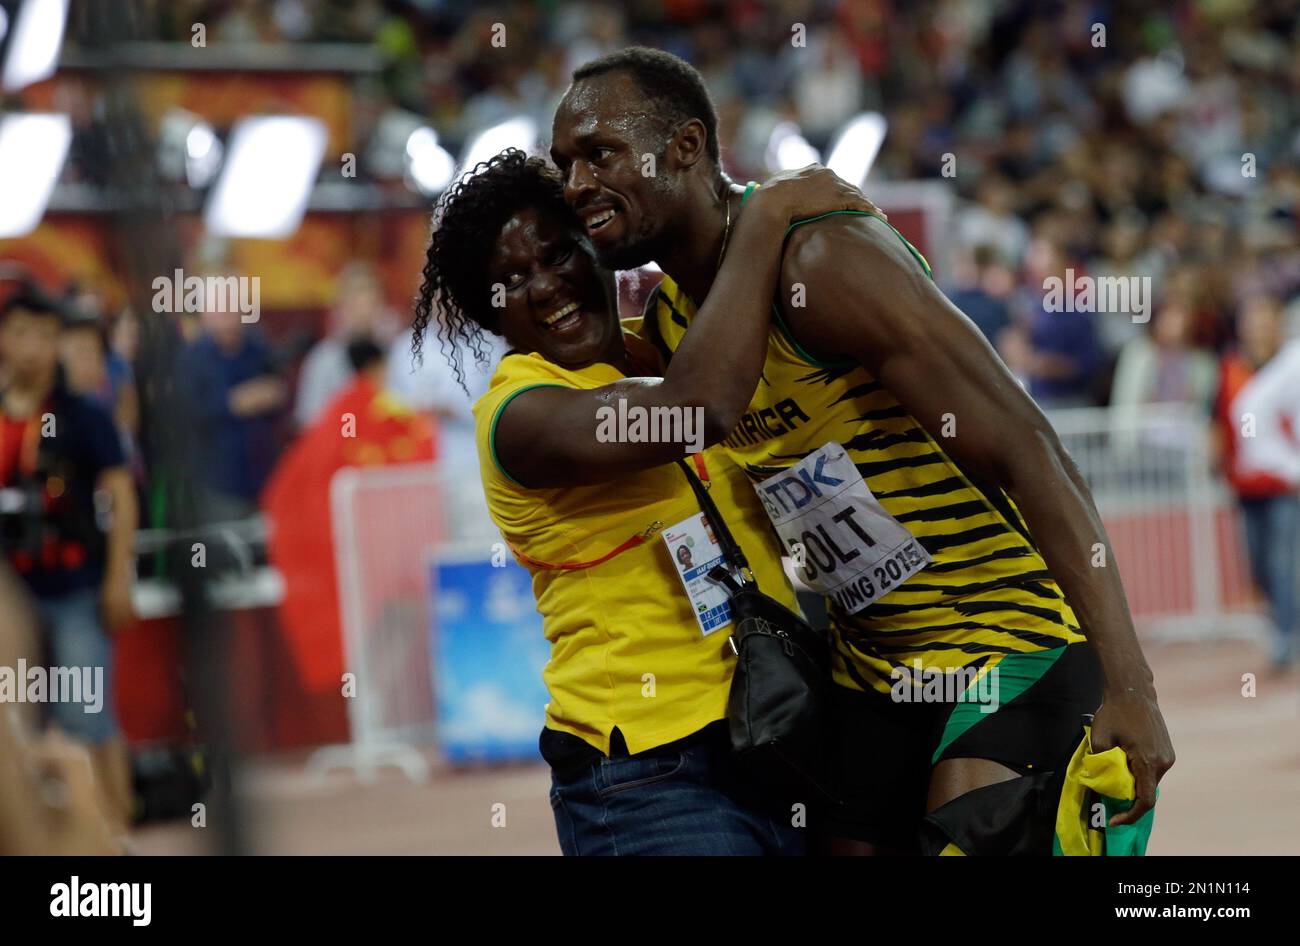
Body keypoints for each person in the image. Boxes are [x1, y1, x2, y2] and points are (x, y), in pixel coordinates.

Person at [550, 47, 1174, 855]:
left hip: (1000, 640)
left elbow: (1031, 449)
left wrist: (1131, 681)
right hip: (869, 679)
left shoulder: (824, 258)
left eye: (599, 153)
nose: (575, 186)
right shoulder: (680, 326)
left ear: (686, 147)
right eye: (564, 164)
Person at [412, 148, 872, 855]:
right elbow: (696, 412)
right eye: (511, 281)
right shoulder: (519, 416)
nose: (545, 285)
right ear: (490, 314)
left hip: (781, 735)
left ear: (596, 249)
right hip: (648, 779)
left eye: (558, 254)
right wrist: (767, 214)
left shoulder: (665, 346)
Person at [0, 287, 138, 837]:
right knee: (16, 731)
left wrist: (117, 579)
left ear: (58, 342)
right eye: (20, 332)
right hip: (11, 604)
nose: (32, 346)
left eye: (44, 334)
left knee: (88, 722)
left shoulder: (82, 416)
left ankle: (118, 842)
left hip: (76, 592)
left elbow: (122, 496)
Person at [1222, 295, 1299, 669]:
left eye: (1263, 319)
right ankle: (1285, 622)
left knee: (1282, 560)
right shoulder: (1232, 367)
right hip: (1245, 485)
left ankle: (1286, 635)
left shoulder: (1290, 366)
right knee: (1257, 565)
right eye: (1250, 321)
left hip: (1284, 487)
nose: (1257, 328)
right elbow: (1219, 416)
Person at [177, 285, 286, 521]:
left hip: (265, 477)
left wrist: (271, 395)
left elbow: (280, 392)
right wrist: (231, 403)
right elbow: (187, 413)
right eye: (219, 308)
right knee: (226, 549)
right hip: (218, 481)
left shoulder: (259, 349)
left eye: (232, 307)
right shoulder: (192, 358)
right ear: (204, 315)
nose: (227, 314)